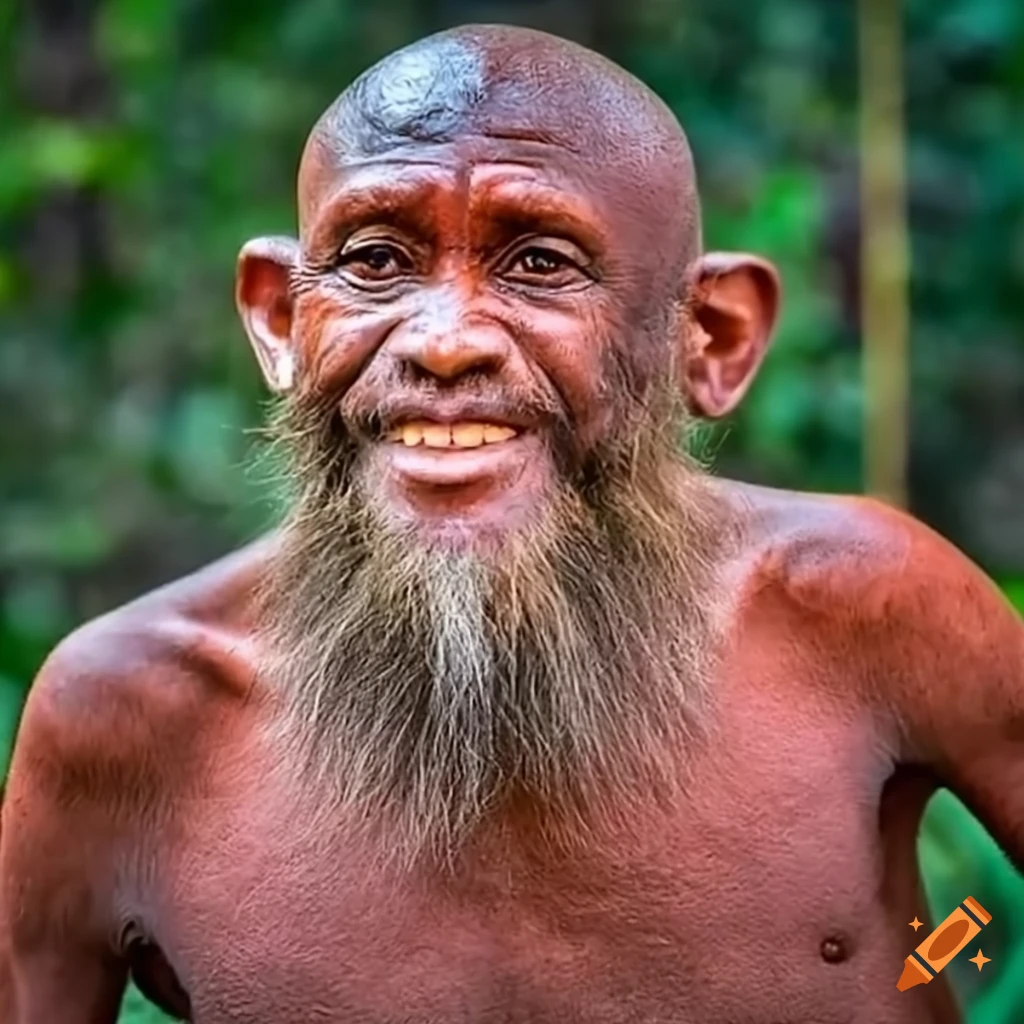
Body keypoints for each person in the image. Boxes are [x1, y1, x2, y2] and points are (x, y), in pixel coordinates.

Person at [1, 23, 1021, 1024]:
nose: (443, 343)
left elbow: (983, 930)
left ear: (707, 338)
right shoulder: (128, 717)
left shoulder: (862, 606)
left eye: (540, 262)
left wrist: (941, 953)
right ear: (279, 318)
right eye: (374, 259)